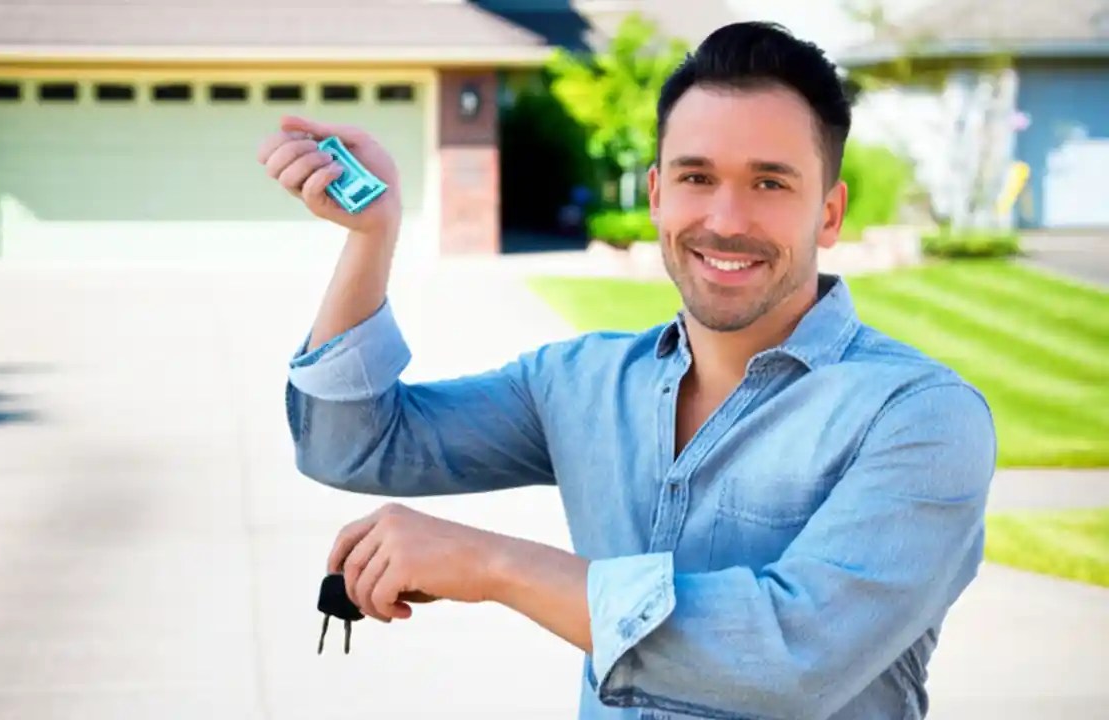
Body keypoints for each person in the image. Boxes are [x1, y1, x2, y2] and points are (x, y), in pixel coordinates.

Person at [257, 21, 996, 720]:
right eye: (696, 177)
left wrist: (491, 564)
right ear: (656, 195)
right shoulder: (580, 383)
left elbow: (789, 657)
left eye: (770, 183)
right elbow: (351, 445)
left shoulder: (918, 416)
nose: (726, 219)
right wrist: (372, 236)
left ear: (829, 214)